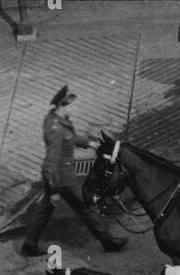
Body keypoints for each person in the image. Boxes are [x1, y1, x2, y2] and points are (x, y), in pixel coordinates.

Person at [21, 85, 127, 256]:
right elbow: (51, 161)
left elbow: (70, 139)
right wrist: (54, 188)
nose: (73, 108)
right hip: (61, 178)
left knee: (45, 210)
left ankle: (29, 244)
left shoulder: (58, 120)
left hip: (58, 176)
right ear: (60, 106)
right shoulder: (55, 129)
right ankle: (108, 242)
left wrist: (88, 143)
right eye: (70, 105)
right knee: (85, 206)